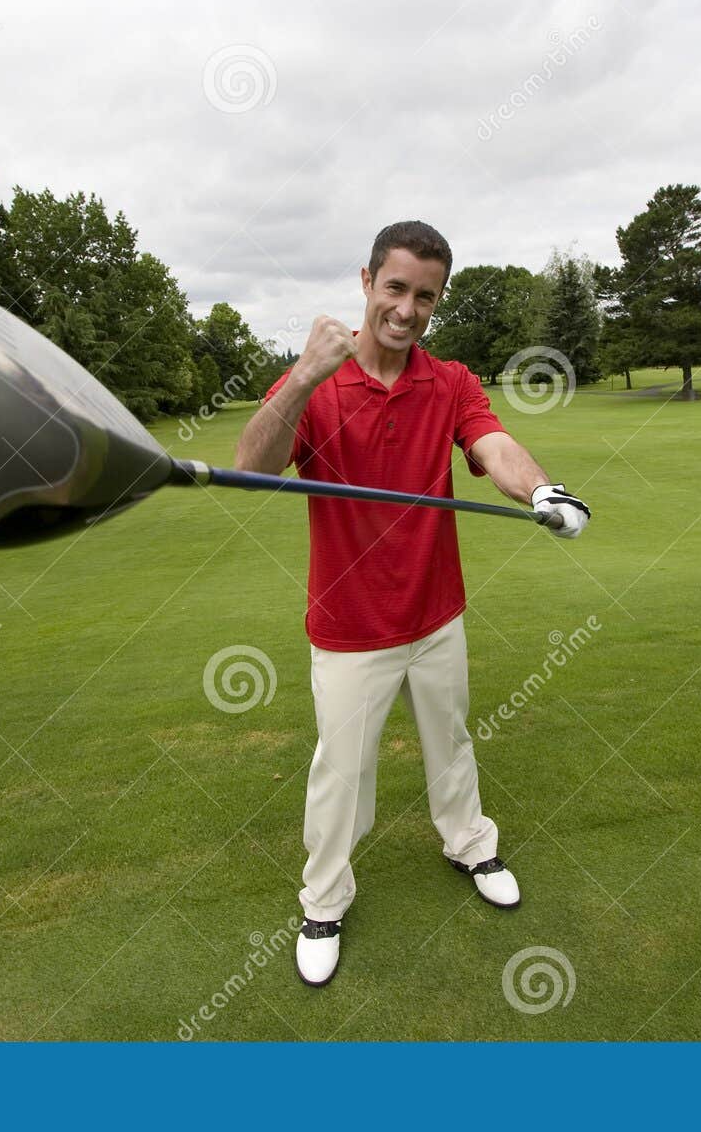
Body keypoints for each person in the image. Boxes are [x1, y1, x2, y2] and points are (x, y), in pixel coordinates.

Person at [233, 220, 591, 987]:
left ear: (437, 301)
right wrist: (300, 376)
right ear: (366, 282)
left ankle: (471, 843)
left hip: (436, 615)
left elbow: (492, 444)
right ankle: (324, 900)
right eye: (395, 288)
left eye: (424, 296)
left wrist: (540, 488)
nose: (406, 308)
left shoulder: (450, 380)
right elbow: (253, 467)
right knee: (341, 772)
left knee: (451, 742)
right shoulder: (319, 380)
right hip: (349, 627)